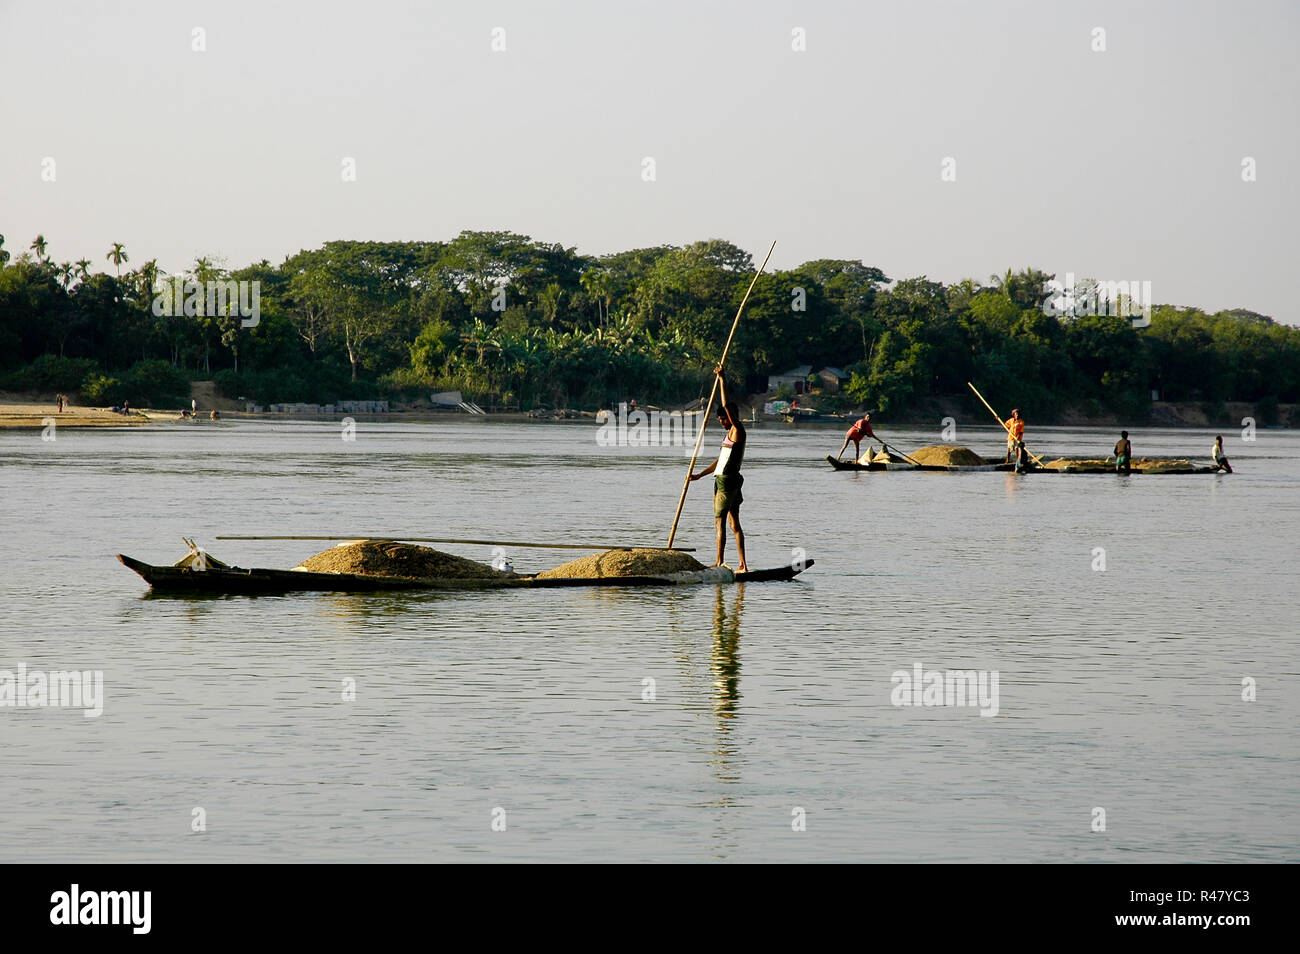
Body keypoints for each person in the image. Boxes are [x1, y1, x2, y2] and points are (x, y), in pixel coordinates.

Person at [689, 366, 748, 573]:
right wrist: (699, 475)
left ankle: (720, 562)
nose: (722, 422)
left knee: (719, 522)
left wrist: (722, 380)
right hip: (722, 480)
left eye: (724, 419)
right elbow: (719, 461)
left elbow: (726, 405)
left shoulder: (737, 430)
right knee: (733, 524)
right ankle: (742, 565)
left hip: (727, 483)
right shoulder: (727, 437)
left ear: (730, 418)